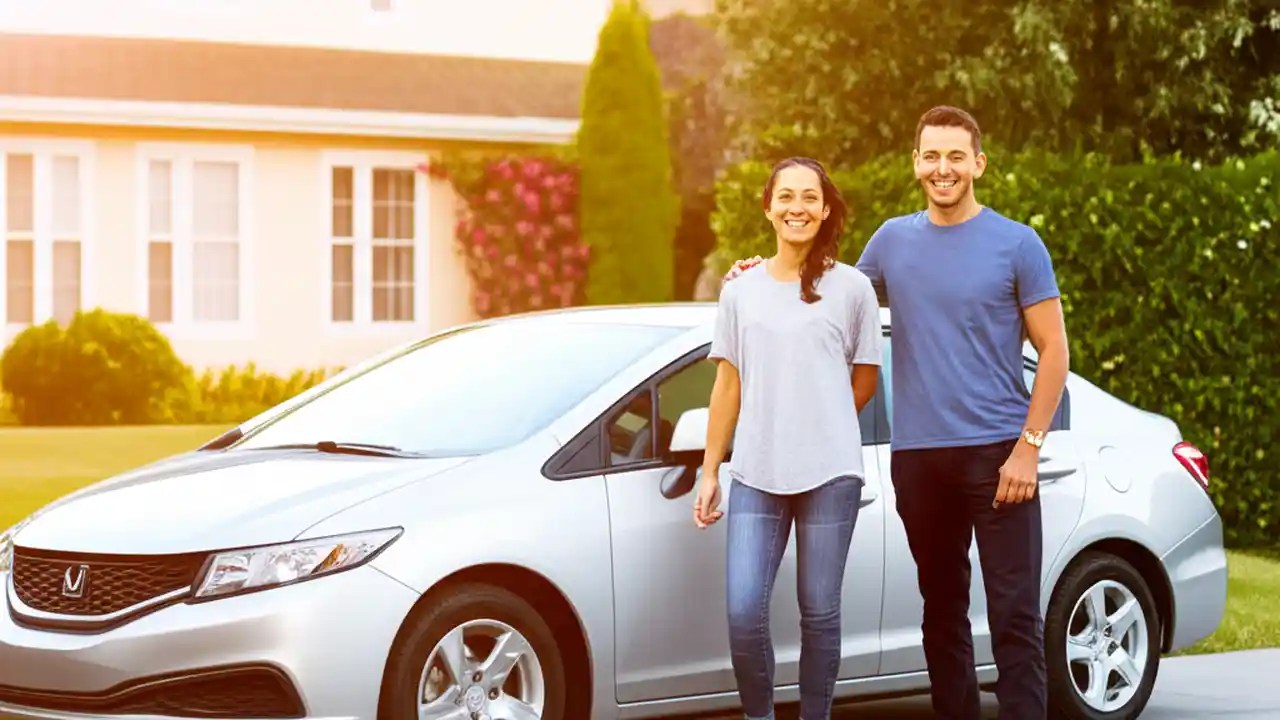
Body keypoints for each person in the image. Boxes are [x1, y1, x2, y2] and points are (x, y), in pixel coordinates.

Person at [855, 106, 1069, 719]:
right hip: (919, 459)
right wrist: (758, 275)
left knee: (1014, 615)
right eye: (931, 156)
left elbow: (1055, 350)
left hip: (999, 455)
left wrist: (1028, 447)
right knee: (941, 610)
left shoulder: (1018, 244)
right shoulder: (890, 241)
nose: (942, 168)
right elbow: (830, 299)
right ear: (915, 163)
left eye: (955, 156)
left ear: (978, 163)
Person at [693, 156, 883, 720]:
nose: (797, 207)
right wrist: (709, 470)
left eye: (809, 198)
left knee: (819, 612)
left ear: (824, 210)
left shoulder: (852, 288)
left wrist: (820, 419)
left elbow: (865, 378)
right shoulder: (740, 291)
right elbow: (727, 385)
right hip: (756, 471)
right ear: (768, 208)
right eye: (786, 197)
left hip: (831, 473)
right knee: (742, 611)